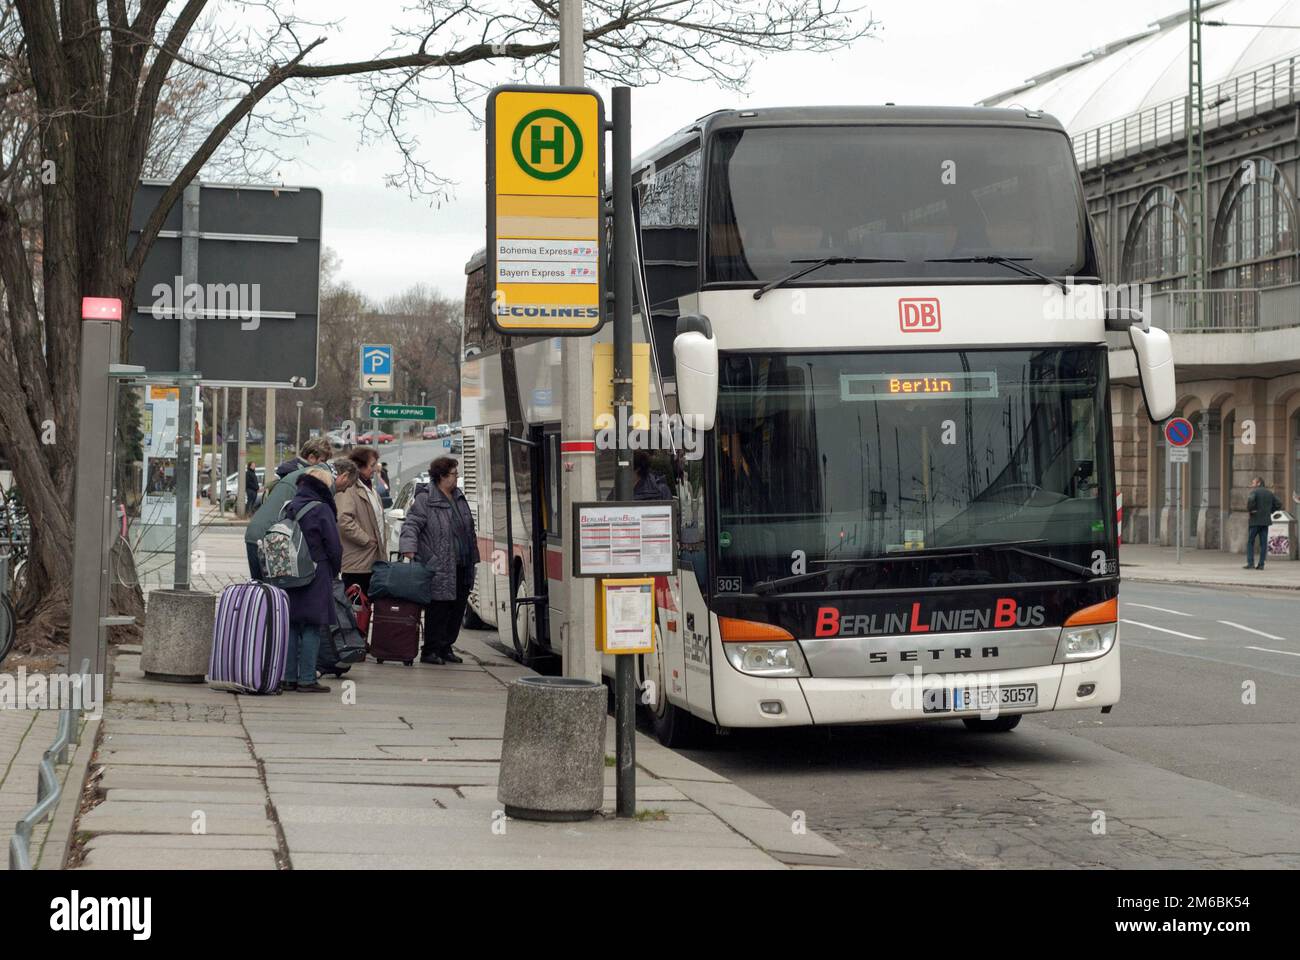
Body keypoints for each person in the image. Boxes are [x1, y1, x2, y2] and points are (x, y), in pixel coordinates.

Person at [399, 457, 479, 665]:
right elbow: (411, 524)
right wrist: (408, 548)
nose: (457, 477)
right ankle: (430, 650)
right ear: (442, 476)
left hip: (461, 563)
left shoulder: (458, 497)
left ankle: (446, 647)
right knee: (439, 609)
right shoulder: (427, 499)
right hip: (439, 564)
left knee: (457, 608)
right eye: (454, 474)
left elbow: (467, 529)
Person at [281, 460, 353, 692]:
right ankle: (307, 679)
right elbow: (334, 546)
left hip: (290, 570)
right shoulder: (321, 508)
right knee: (312, 625)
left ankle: (289, 677)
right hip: (316, 570)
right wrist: (335, 569)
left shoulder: (289, 505)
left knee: (292, 624)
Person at [244, 437, 333, 579]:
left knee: (261, 590)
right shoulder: (303, 478)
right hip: (271, 537)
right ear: (311, 458)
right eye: (322, 462)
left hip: (255, 534)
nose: (324, 468)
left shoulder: (283, 475)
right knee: (278, 592)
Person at [336, 445, 386, 597]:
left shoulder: (370, 488)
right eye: (372, 465)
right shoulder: (349, 488)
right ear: (360, 466)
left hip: (372, 561)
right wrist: (366, 540)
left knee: (368, 608)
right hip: (357, 563)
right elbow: (343, 519)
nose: (375, 468)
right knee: (357, 610)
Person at [1245, 476, 1281, 570]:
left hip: (1255, 521)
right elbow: (1279, 504)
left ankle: (1250, 563)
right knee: (1263, 543)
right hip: (1265, 521)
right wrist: (1270, 511)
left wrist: (1251, 510)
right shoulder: (1270, 493)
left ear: (1259, 483)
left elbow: (1251, 501)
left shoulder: (1254, 492)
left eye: (1253, 483)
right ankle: (1261, 564)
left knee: (1250, 542)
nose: (1252, 485)